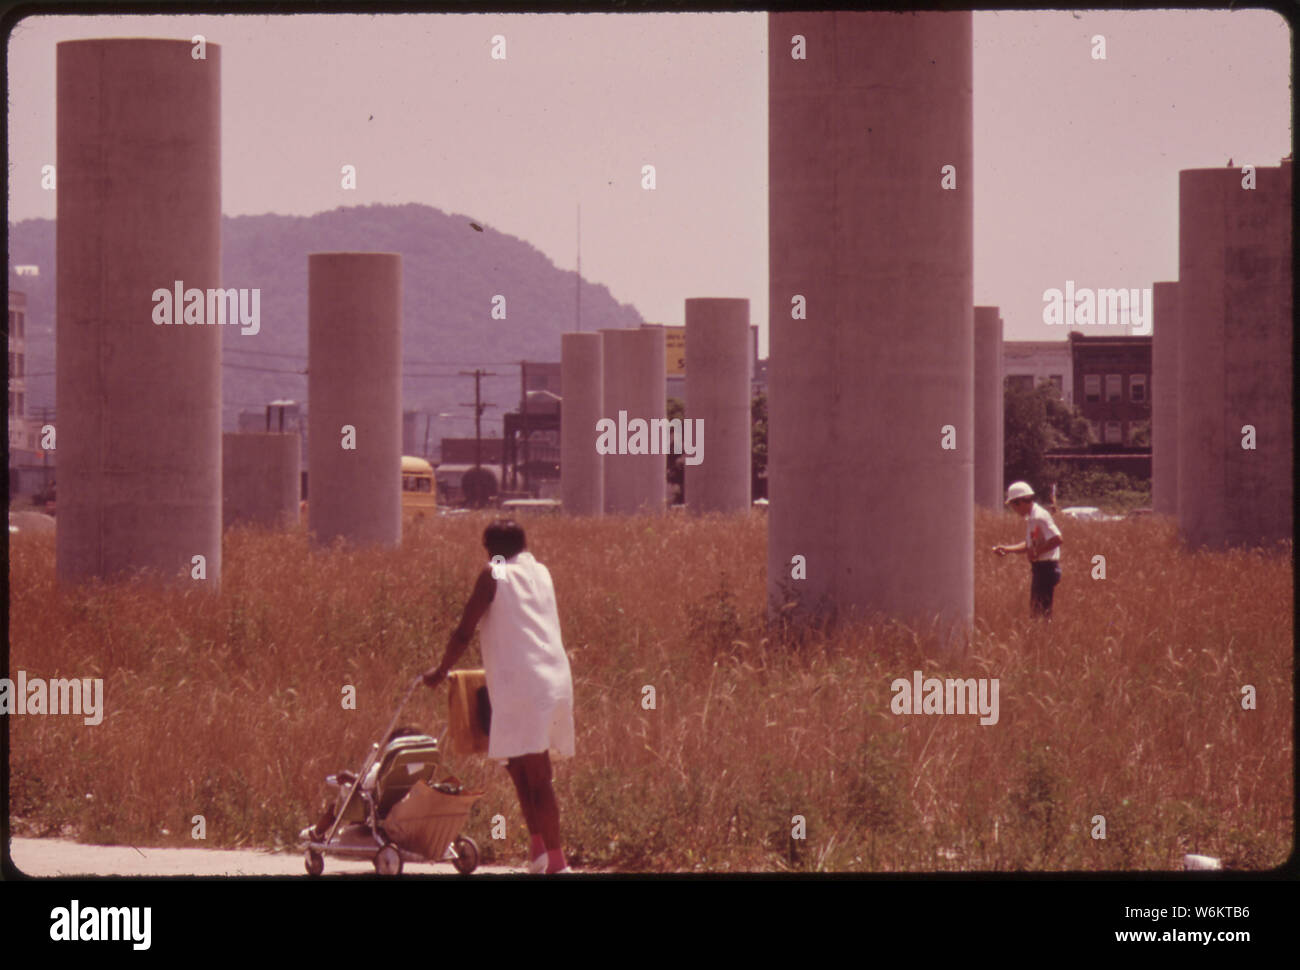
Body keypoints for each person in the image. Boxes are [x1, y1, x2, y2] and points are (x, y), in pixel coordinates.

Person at [423, 519, 574, 874]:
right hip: (549, 679)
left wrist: (441, 670)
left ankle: (557, 862)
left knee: (538, 778)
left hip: (524, 684)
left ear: (495, 549)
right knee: (517, 766)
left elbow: (464, 631)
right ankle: (538, 853)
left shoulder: (494, 573)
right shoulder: (541, 572)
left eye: (487, 548)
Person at [992, 481, 1063, 618]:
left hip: (1046, 569)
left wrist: (1036, 552)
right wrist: (1007, 549)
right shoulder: (1032, 518)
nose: (1014, 509)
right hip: (1041, 569)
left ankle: (1043, 638)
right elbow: (1029, 545)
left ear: (1020, 502)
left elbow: (1058, 539)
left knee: (1040, 615)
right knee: (1038, 613)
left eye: (1013, 505)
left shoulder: (1039, 517)